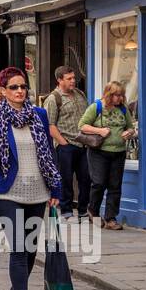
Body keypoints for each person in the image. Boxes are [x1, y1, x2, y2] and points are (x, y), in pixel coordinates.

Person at [0, 67, 62, 290]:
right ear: (3, 91)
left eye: (23, 86)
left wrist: (56, 188)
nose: (20, 91)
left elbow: (48, 152)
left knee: (31, 249)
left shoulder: (39, 115)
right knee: (18, 247)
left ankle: (18, 285)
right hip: (6, 191)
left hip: (37, 191)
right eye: (14, 87)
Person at [79, 81, 136, 229]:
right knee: (98, 182)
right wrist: (100, 131)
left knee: (115, 186)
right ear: (108, 94)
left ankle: (111, 218)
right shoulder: (96, 107)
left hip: (119, 152)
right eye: (116, 95)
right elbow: (82, 126)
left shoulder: (123, 109)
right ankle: (93, 211)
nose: (119, 98)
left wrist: (128, 132)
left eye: (121, 95)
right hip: (99, 152)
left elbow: (131, 127)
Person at [45, 66, 92, 220]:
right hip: (66, 145)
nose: (73, 81)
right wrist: (63, 143)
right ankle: (66, 210)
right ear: (59, 80)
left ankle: (83, 210)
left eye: (73, 78)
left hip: (83, 143)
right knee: (66, 179)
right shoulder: (53, 98)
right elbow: (50, 125)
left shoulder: (80, 94)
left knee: (85, 179)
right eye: (69, 78)